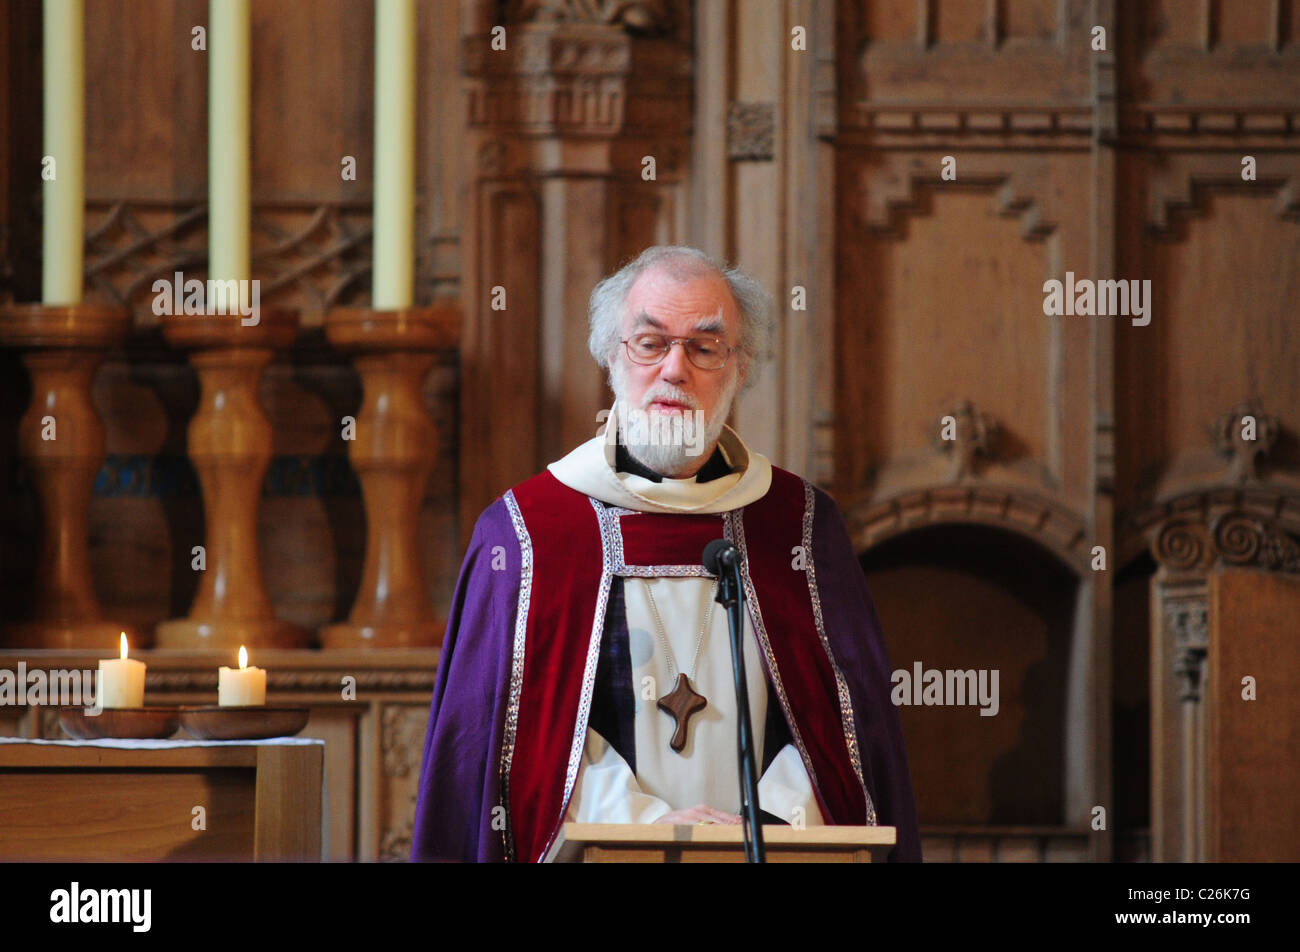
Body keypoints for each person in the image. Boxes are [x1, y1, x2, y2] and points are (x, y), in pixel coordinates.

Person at [411, 245, 921, 863]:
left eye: (705, 347)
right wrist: (648, 825)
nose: (675, 370)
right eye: (650, 343)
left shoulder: (800, 527)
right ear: (611, 358)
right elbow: (499, 742)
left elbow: (849, 729)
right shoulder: (527, 534)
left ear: (741, 366)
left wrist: (757, 825)